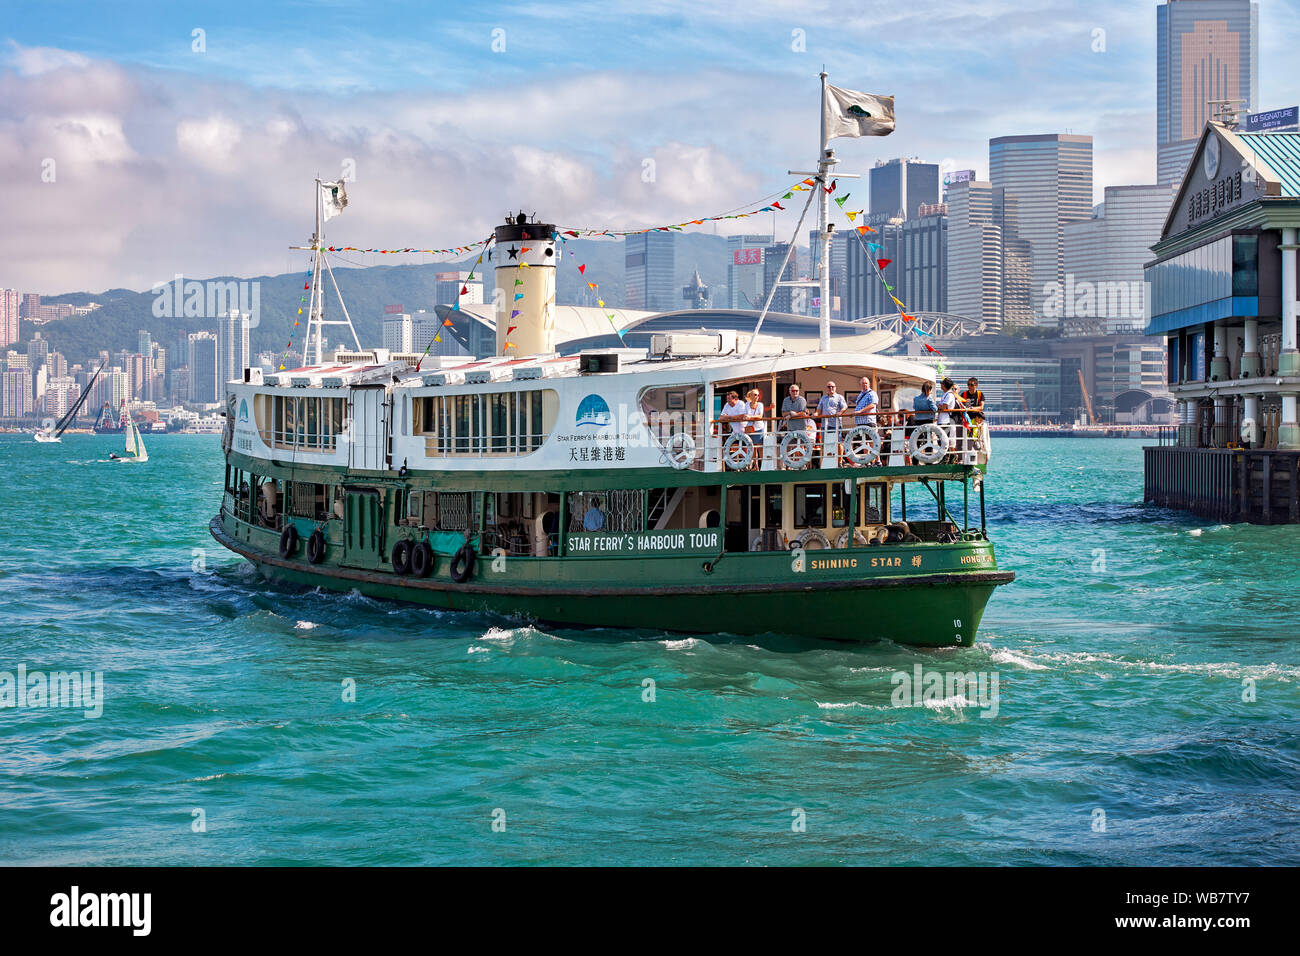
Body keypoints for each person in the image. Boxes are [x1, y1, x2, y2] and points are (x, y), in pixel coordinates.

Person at [817, 380, 848, 457]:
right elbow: (819, 409)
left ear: (835, 388)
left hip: (836, 424)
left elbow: (845, 407)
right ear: (826, 388)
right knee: (826, 443)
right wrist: (816, 413)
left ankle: (839, 462)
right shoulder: (823, 398)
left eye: (832, 386)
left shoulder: (839, 397)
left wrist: (840, 412)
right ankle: (829, 460)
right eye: (829, 387)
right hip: (825, 425)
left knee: (838, 443)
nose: (831, 388)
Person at [744, 388, 766, 469]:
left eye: (758, 395)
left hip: (759, 428)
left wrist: (750, 417)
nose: (757, 396)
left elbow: (760, 416)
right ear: (751, 396)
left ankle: (762, 466)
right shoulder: (747, 404)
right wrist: (749, 417)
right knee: (752, 447)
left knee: (760, 447)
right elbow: (745, 415)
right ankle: (755, 465)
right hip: (750, 428)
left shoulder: (760, 405)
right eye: (755, 395)